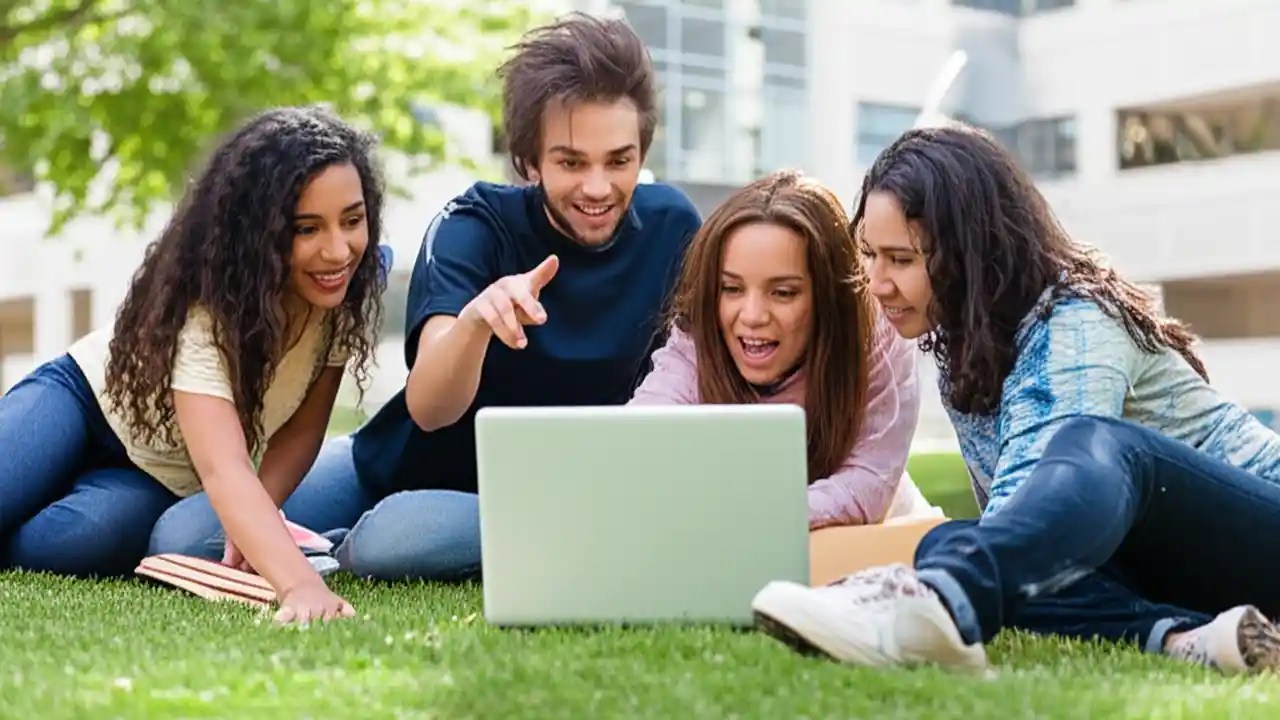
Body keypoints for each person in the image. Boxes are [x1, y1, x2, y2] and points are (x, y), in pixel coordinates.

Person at [149, 13, 703, 581]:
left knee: (394, 538)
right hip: (395, 463)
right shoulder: (474, 225)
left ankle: (338, 548)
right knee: (187, 535)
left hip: (526, 502)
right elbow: (431, 408)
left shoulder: (675, 228)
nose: (596, 186)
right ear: (529, 160)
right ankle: (332, 544)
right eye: (570, 162)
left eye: (619, 160)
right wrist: (475, 325)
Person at [750, 124, 1280, 675]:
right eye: (871, 256)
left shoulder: (1076, 323)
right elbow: (1025, 536)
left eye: (901, 260)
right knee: (949, 543)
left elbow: (1024, 507)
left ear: (969, 252)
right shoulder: (967, 345)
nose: (877, 282)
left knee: (1100, 448)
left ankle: (934, 601)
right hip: (1191, 576)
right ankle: (1187, 637)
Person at [3, 105, 387, 624]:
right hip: (82, 398)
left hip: (156, 478)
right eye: (307, 229)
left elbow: (299, 432)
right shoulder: (211, 309)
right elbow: (225, 466)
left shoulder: (342, 300)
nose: (338, 250)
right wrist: (299, 586)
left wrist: (259, 523)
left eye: (352, 220)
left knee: (64, 549)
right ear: (262, 232)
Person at [628, 170, 937, 528]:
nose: (753, 316)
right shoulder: (699, 337)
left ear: (828, 296)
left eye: (783, 292)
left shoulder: (876, 335)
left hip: (870, 541)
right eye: (732, 289)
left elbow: (865, 486)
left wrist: (747, 515)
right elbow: (640, 438)